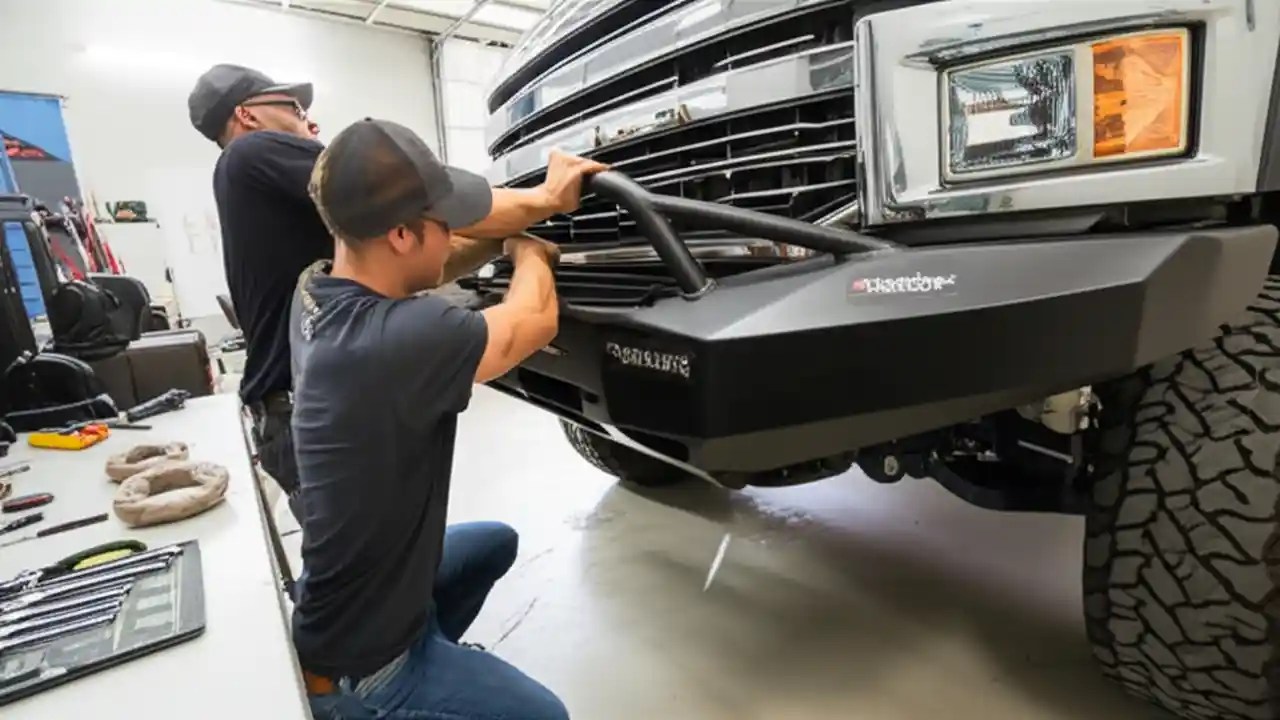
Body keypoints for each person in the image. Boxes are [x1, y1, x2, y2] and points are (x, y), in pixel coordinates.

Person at [290, 117, 606, 720]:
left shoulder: (315, 290)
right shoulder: (397, 341)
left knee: (492, 545)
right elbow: (534, 319)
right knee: (548, 717)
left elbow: (439, 264)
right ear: (403, 235)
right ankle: (396, 702)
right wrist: (530, 250)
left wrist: (528, 212)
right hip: (364, 663)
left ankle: (438, 665)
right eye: (447, 220)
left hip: (351, 601)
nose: (458, 230)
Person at [188, 63, 327, 497]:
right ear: (248, 116)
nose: (310, 121)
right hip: (307, 416)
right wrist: (540, 199)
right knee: (370, 564)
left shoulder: (247, 178)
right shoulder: (252, 153)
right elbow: (404, 190)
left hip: (291, 414)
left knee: (386, 557)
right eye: (296, 108)